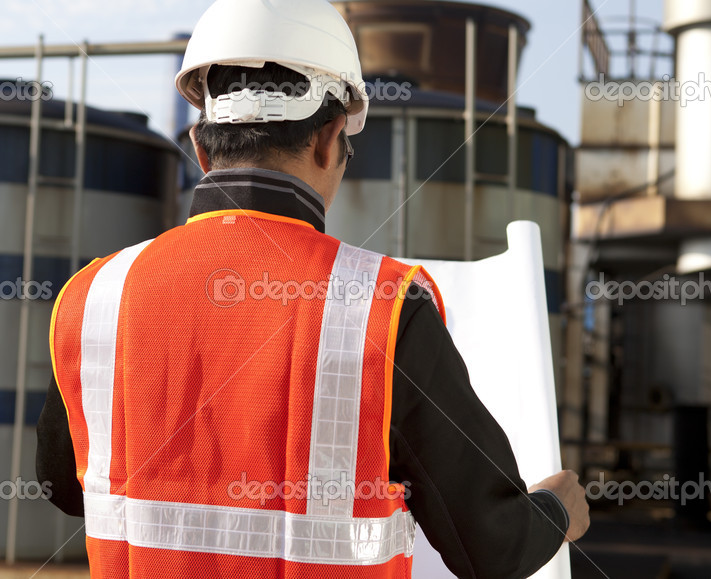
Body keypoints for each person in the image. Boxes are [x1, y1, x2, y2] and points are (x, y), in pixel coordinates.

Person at [36, 0, 589, 577]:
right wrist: (556, 509)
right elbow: (491, 546)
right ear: (329, 141)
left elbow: (64, 485)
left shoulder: (94, 296)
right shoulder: (386, 305)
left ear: (200, 148)